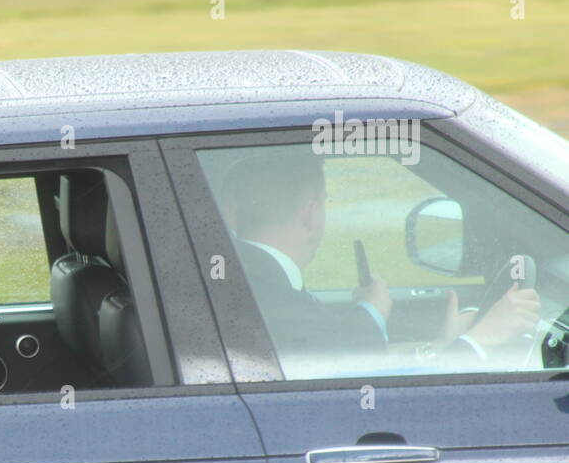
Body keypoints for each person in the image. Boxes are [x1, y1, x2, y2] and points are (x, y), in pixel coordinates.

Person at [223, 152, 540, 372]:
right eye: (324, 201)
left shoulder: (252, 280)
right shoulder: (273, 301)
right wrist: (484, 338)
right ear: (310, 213)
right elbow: (377, 392)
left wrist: (442, 346)